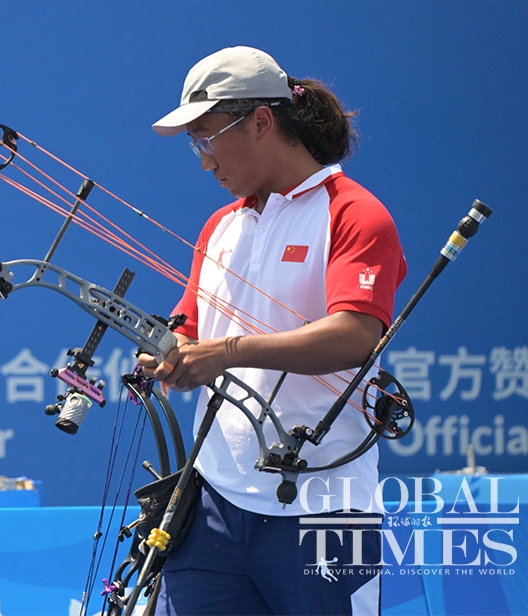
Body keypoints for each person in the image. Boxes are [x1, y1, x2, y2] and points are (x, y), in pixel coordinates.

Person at [136, 46, 406, 615]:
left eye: (207, 137)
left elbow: (356, 334)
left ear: (260, 121)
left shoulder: (355, 214)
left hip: (326, 508)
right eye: (194, 144)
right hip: (210, 504)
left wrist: (226, 353)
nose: (204, 161)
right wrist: (173, 356)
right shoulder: (220, 225)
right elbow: (189, 327)